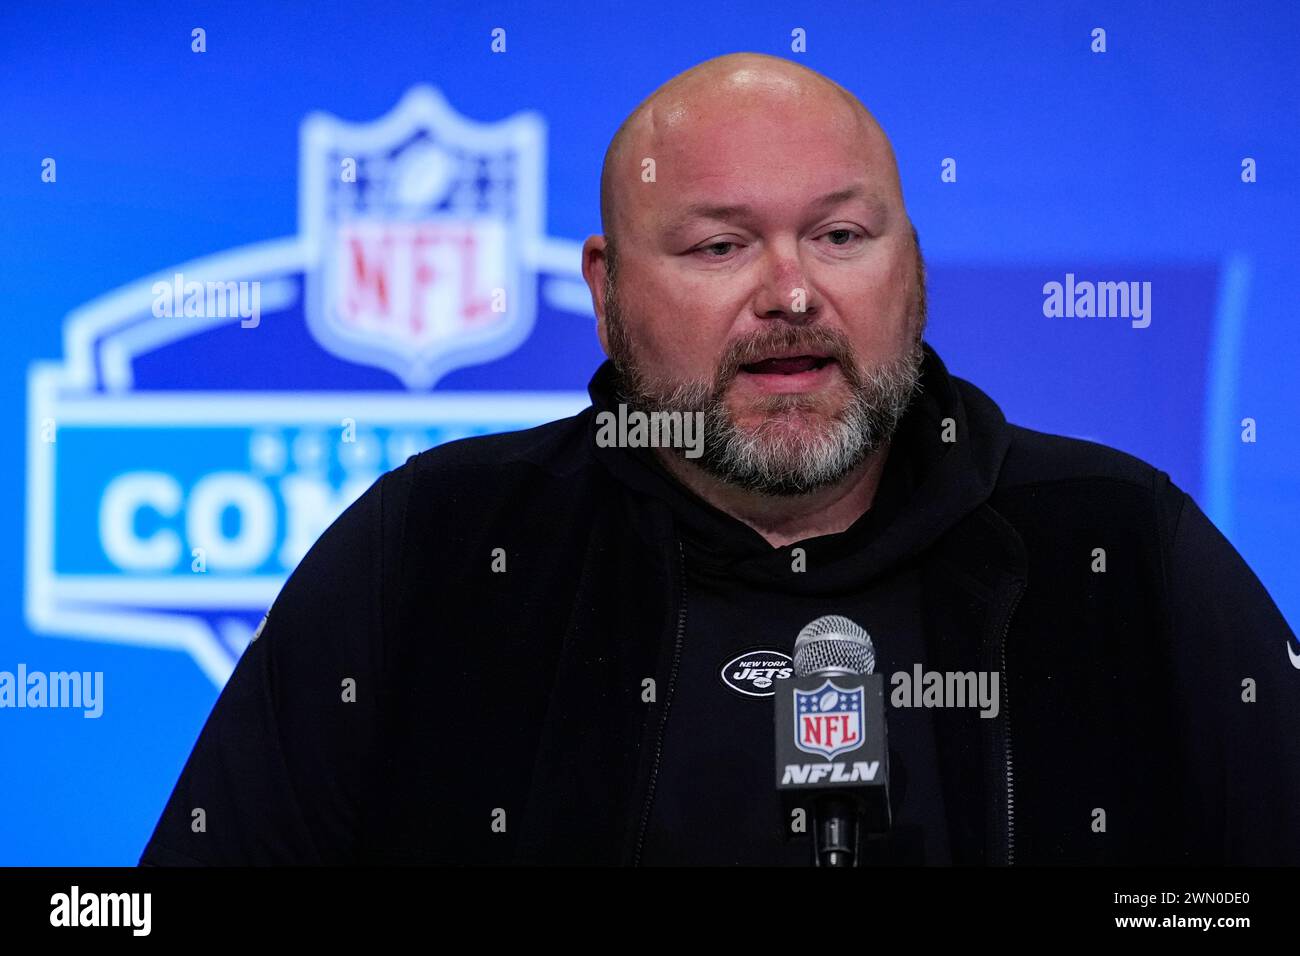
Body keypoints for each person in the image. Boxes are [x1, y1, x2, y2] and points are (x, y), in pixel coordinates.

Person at [140, 52, 1300, 866]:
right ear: (606, 292)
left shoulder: (1112, 543)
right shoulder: (439, 549)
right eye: (720, 244)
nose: (791, 292)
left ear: (913, 269)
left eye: (841, 236)